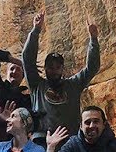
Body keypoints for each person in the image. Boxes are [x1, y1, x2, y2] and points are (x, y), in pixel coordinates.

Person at [22, 11, 101, 144]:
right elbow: (27, 59)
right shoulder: (37, 85)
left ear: (62, 69)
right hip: (42, 141)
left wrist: (93, 40)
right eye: (50, 67)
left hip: (69, 142)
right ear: (44, 68)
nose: (54, 71)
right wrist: (35, 31)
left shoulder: (73, 85)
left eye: (57, 67)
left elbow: (92, 68)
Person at [0, 48, 32, 112]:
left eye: (18, 69)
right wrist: (18, 62)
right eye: (11, 69)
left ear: (22, 76)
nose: (14, 71)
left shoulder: (26, 99)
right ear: (7, 73)